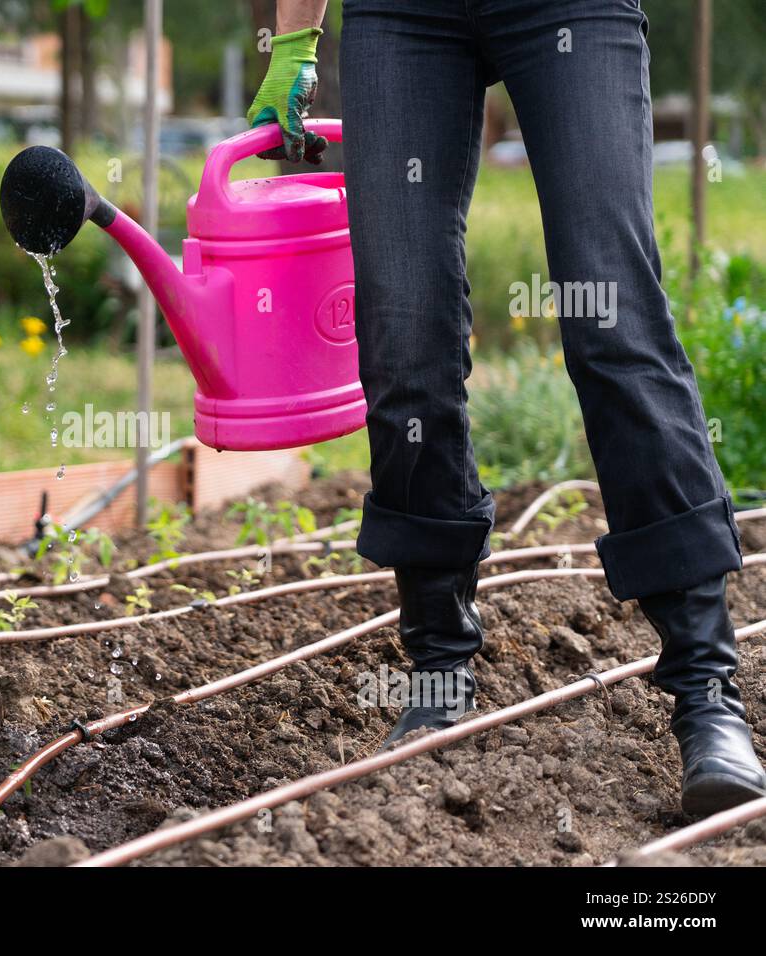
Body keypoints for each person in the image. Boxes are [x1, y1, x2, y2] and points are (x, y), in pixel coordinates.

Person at [248, 0, 765, 816]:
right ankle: (440, 666)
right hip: (404, 16)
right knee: (403, 334)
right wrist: (296, 39)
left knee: (613, 321)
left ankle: (706, 691)